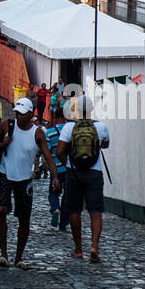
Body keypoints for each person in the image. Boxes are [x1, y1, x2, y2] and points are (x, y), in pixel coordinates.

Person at [0, 97, 60, 270]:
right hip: (4, 174)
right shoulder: (7, 126)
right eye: (16, 113)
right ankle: (4, 254)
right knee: (1, 210)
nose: (18, 117)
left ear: (31, 114)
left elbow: (47, 155)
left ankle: (18, 257)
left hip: (24, 178)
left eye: (22, 114)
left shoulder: (38, 133)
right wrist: (1, 143)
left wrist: (55, 177)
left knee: (24, 218)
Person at [56, 97, 110, 262]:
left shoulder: (69, 127)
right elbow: (105, 145)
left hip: (74, 173)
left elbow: (59, 152)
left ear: (76, 110)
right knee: (96, 211)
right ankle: (94, 247)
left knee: (74, 210)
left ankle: (78, 249)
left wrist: (69, 165)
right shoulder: (100, 127)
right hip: (94, 173)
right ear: (92, 109)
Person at [41, 110, 69, 232]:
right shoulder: (70, 131)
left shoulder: (49, 133)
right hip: (68, 168)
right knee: (67, 196)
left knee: (53, 192)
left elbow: (46, 152)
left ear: (55, 118)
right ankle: (63, 224)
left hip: (55, 168)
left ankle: (55, 209)